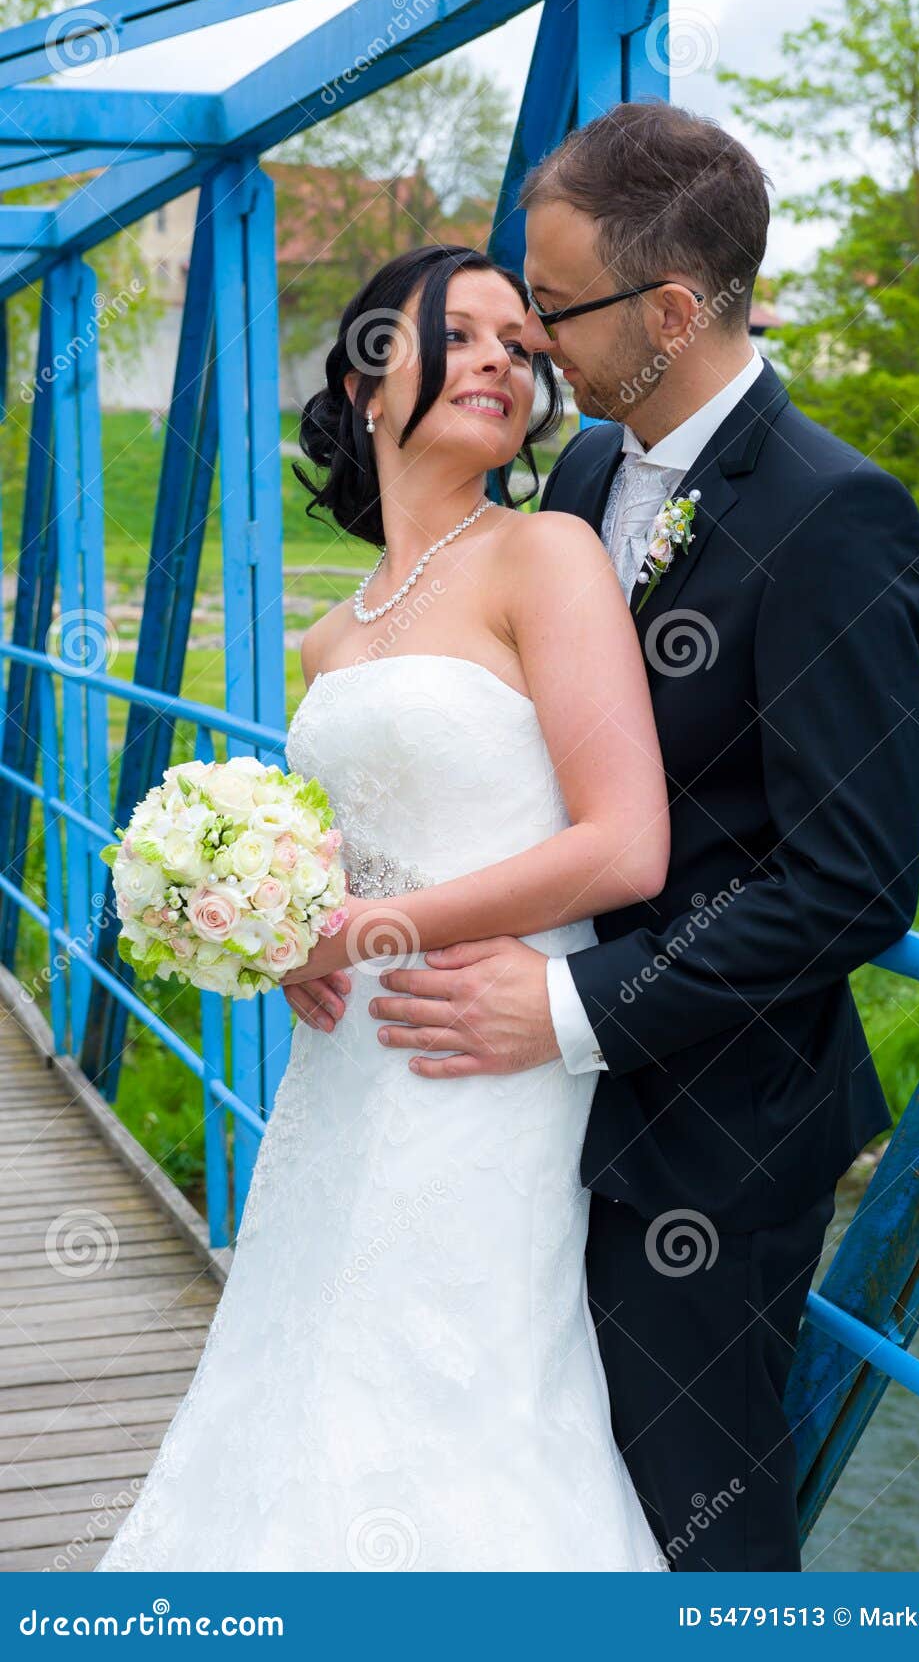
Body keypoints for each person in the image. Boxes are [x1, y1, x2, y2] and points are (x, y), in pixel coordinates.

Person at [289, 101, 919, 1571]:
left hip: (706, 1132)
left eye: (550, 310)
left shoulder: (837, 515)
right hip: (510, 1120)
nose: (527, 348)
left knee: (693, 1521)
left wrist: (573, 1004)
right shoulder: (580, 481)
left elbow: (853, 883)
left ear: (661, 309)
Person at [95, 243, 673, 1572]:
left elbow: (626, 844)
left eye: (519, 348)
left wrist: (380, 930)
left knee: (456, 1372)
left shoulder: (547, 555)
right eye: (457, 333)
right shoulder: (330, 634)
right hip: (345, 1054)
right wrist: (293, 925)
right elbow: (357, 854)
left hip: (490, 1047)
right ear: (364, 379)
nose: (499, 361)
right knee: (306, 1350)